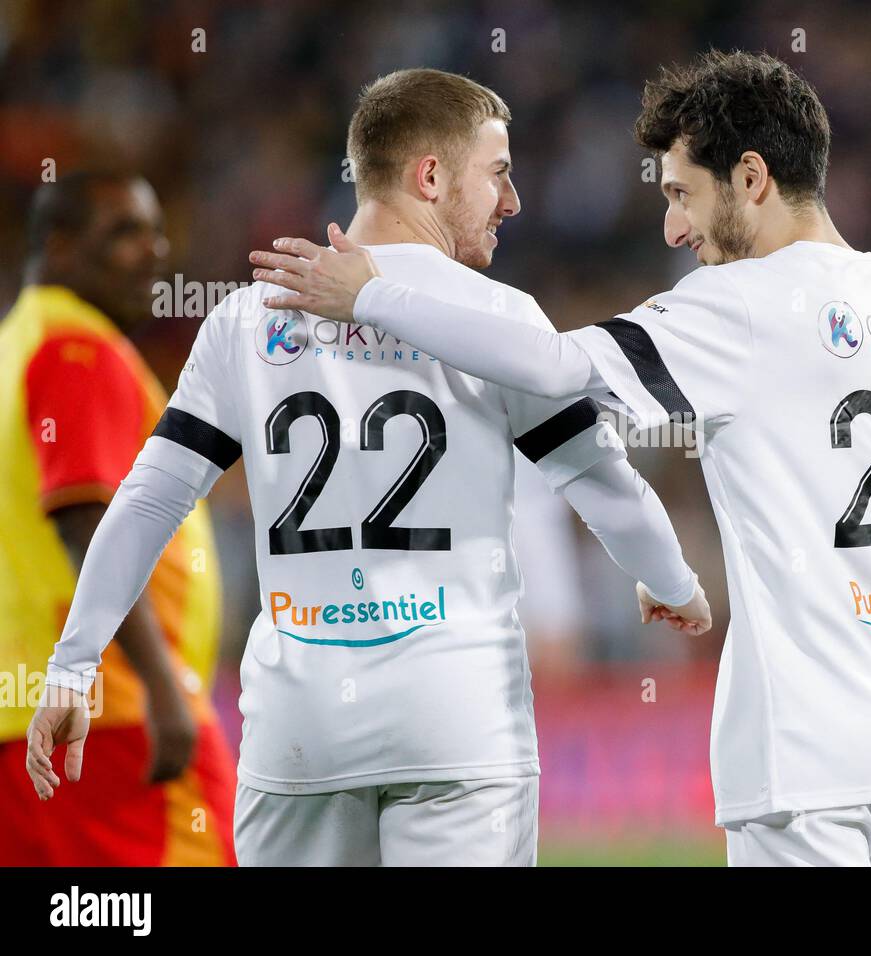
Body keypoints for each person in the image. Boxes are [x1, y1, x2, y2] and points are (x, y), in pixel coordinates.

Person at [250, 50, 871, 866]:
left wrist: (370, 296)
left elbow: (551, 366)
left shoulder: (739, 305)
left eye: (682, 193)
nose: (674, 227)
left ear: (750, 178)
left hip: (803, 758)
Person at [26, 69, 709, 867]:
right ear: (430, 175)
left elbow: (148, 503)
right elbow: (605, 485)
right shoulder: (497, 323)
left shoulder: (248, 318)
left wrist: (73, 665)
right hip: (456, 721)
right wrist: (674, 586)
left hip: (298, 732)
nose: (513, 201)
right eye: (498, 174)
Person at [0, 171, 236, 865]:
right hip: (108, 715)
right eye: (126, 232)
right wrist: (164, 688)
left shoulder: (18, 343)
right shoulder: (79, 351)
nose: (155, 251)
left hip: (28, 715)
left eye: (157, 231)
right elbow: (86, 521)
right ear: (61, 246)